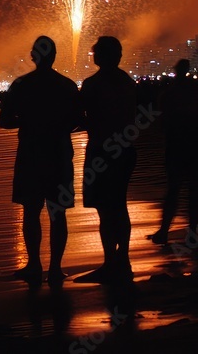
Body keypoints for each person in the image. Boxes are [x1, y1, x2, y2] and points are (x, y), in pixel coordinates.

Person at [0, 36, 82, 287]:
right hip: (59, 153)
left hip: (31, 154)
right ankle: (55, 268)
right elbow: (78, 120)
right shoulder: (66, 86)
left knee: (31, 211)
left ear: (33, 56)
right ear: (54, 56)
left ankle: (34, 264)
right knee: (58, 214)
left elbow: (4, 121)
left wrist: (28, 121)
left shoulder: (21, 85)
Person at [76, 36, 137, 283]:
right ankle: (122, 259)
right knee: (119, 205)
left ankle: (111, 262)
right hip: (125, 150)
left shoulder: (92, 84)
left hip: (102, 150)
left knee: (104, 208)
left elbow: (79, 117)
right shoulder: (127, 82)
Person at [148, 59, 198, 245]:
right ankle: (192, 231)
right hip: (196, 146)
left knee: (174, 190)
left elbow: (163, 122)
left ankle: (165, 230)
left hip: (176, 146)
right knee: (195, 190)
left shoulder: (170, 93)